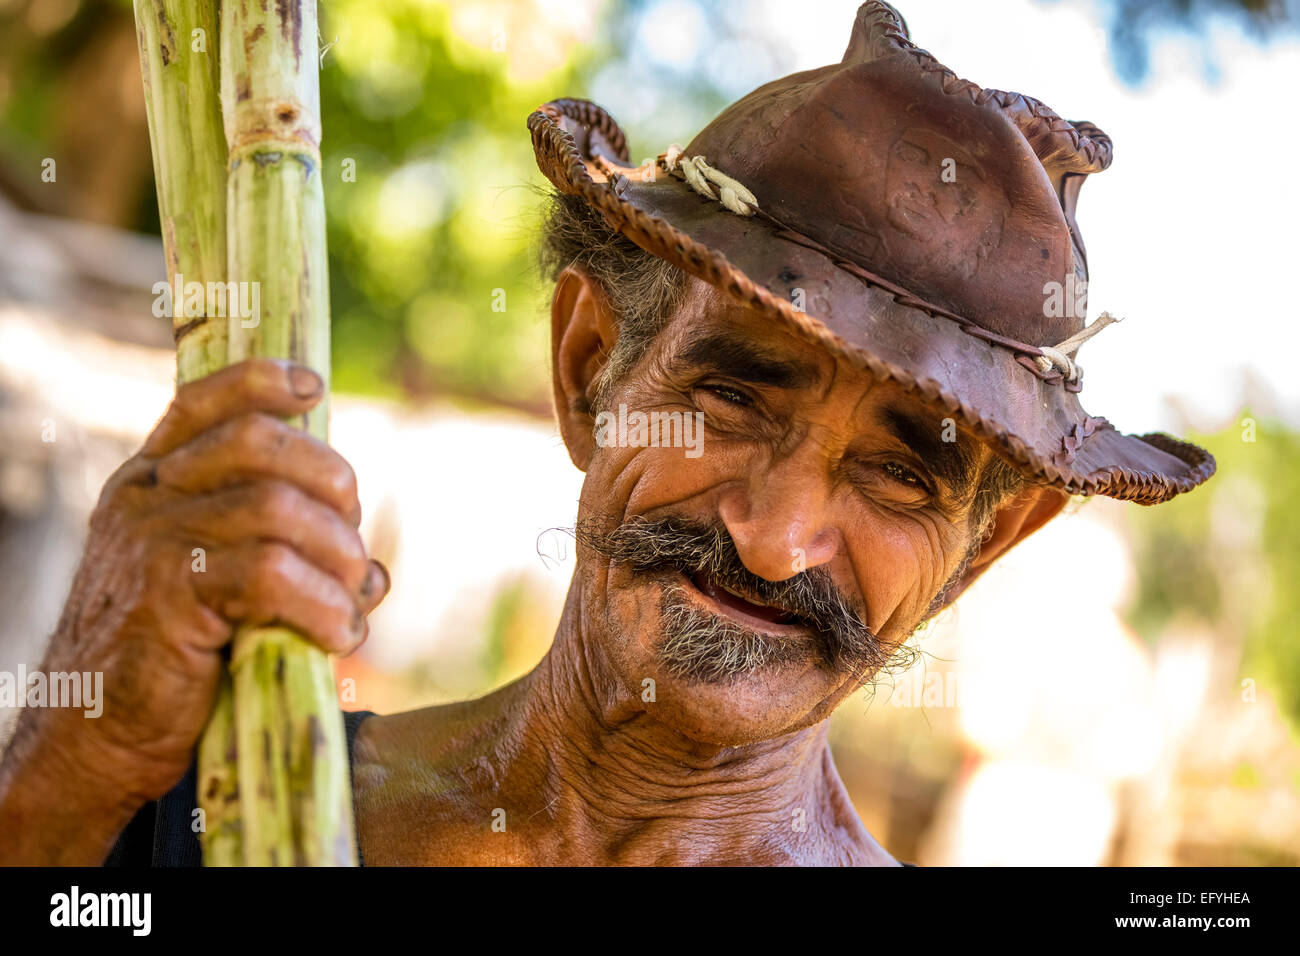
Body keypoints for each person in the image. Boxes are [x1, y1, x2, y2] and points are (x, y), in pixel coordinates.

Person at [0, 1, 1213, 866]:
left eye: (901, 473)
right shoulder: (226, 815)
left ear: (985, 546)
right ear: (591, 367)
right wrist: (69, 770)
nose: (779, 538)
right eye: (733, 397)